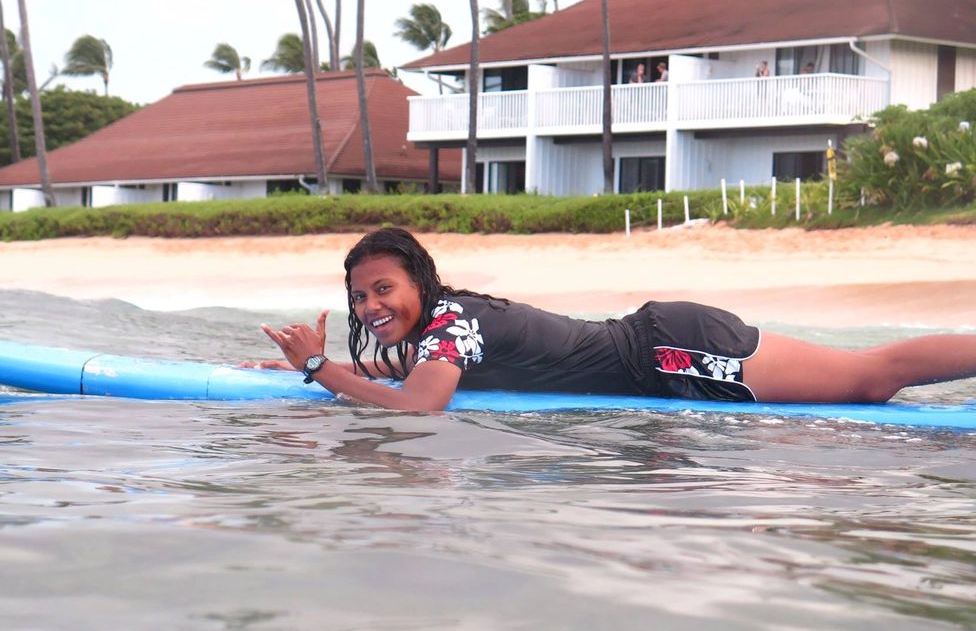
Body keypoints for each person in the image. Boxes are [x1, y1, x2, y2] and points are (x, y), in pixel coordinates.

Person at [257, 228, 976, 413]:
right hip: (661, 345)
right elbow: (398, 371)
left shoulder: (453, 323)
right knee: (872, 379)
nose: (369, 307)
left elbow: (420, 407)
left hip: (672, 352)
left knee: (872, 379)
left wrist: (323, 374)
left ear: (421, 282)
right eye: (358, 298)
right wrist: (303, 366)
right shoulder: (436, 334)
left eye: (382, 289)